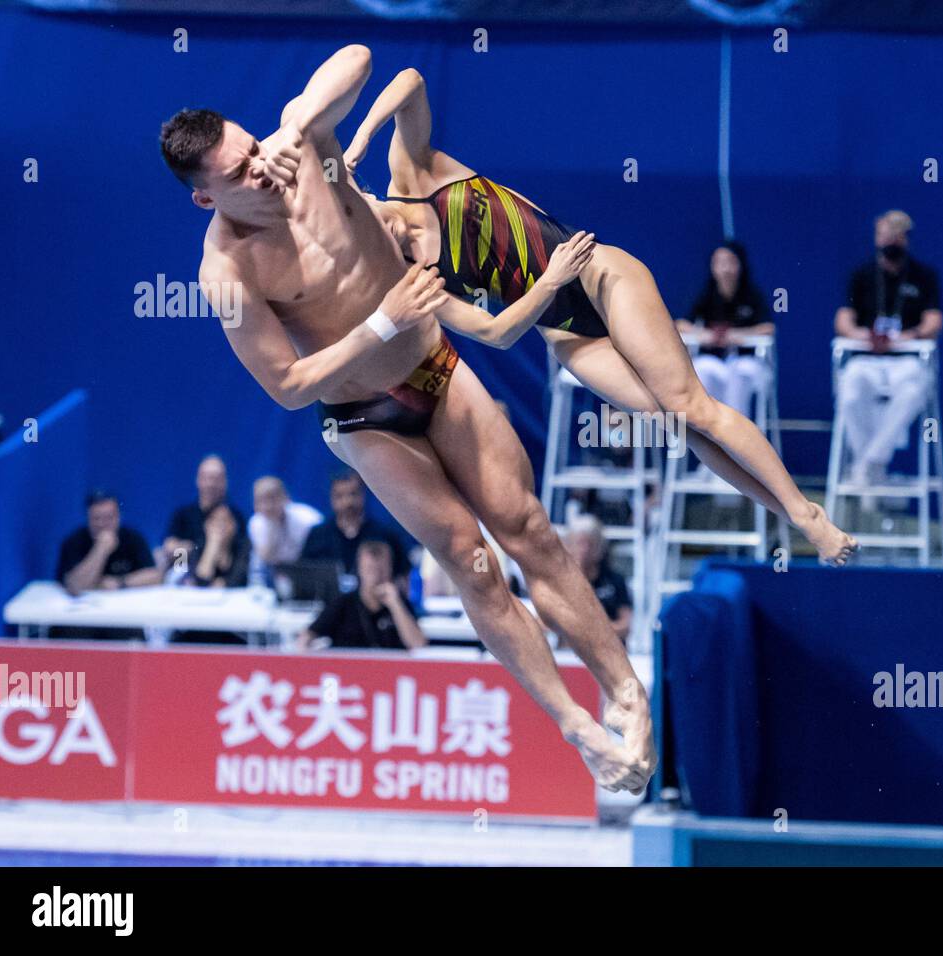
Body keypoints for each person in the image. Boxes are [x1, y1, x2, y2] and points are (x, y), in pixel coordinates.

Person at [159, 45, 653, 792]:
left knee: (527, 530)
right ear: (206, 199)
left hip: (437, 368)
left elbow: (360, 57)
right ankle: (577, 727)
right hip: (364, 417)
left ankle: (625, 690)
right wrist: (379, 326)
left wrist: (297, 125)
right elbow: (289, 386)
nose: (260, 170)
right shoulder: (225, 274)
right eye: (238, 174)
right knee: (474, 562)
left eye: (253, 150)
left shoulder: (305, 146)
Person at [344, 67, 856, 566]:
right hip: (564, 327)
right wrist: (549, 282)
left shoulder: (413, 171)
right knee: (677, 425)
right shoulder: (418, 276)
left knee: (691, 405)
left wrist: (360, 138)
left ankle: (807, 514)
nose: (382, 237)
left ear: (366, 196)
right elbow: (495, 333)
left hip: (599, 275)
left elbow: (411, 80)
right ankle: (789, 515)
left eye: (372, 223)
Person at [832, 210, 943, 490]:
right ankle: (871, 464)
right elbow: (843, 320)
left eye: (896, 235)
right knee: (849, 390)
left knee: (914, 390)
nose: (890, 241)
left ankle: (869, 461)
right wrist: (862, 335)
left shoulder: (924, 276)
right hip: (867, 357)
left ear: (906, 238)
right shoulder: (862, 275)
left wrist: (908, 336)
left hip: (905, 358)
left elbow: (934, 322)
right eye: (884, 235)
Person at [677, 241, 775, 418]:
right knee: (701, 370)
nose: (725, 269)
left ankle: (737, 436)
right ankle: (704, 434)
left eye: (730, 262)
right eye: (719, 262)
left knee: (739, 374)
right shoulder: (705, 293)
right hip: (714, 361)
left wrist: (737, 336)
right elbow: (680, 324)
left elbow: (768, 327)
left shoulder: (752, 294)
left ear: (740, 265)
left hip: (746, 361)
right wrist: (703, 335)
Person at [297, 540, 426, 651]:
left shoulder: (400, 603)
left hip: (392, 674)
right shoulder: (343, 603)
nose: (376, 577)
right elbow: (308, 634)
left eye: (381, 570)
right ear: (359, 569)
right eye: (370, 570)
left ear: (391, 570)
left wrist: (395, 605)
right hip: (348, 674)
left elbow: (417, 643)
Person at [300, 470, 410, 580]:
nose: (348, 502)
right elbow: (303, 575)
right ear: (331, 499)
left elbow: (403, 576)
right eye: (340, 496)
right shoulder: (317, 536)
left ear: (363, 495)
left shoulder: (384, 535)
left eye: (353, 494)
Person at [57, 491, 161, 596]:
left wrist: (120, 582)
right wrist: (100, 550)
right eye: (97, 519)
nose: (103, 524)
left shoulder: (132, 538)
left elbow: (154, 575)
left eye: (109, 518)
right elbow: (74, 586)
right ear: (88, 519)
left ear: (118, 517)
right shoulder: (74, 541)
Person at [162, 454, 246, 569]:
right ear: (198, 480)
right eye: (207, 478)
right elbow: (170, 548)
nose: (211, 484)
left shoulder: (235, 516)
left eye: (217, 479)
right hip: (185, 571)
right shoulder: (183, 514)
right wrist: (195, 549)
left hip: (224, 574)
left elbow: (241, 552)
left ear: (225, 482)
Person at [561, 515, 632, 645]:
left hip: (608, 647)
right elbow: (544, 623)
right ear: (569, 546)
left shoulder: (615, 580)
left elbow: (626, 625)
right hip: (570, 652)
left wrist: (597, 632)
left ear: (599, 546)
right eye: (579, 543)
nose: (584, 550)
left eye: (590, 543)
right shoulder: (560, 581)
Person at [247, 475, 323, 583]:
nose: (267, 506)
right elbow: (265, 559)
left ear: (285, 497)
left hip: (308, 576)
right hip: (275, 578)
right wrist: (273, 528)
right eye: (260, 500)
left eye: (271, 499)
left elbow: (319, 559)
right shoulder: (256, 523)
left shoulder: (309, 520)